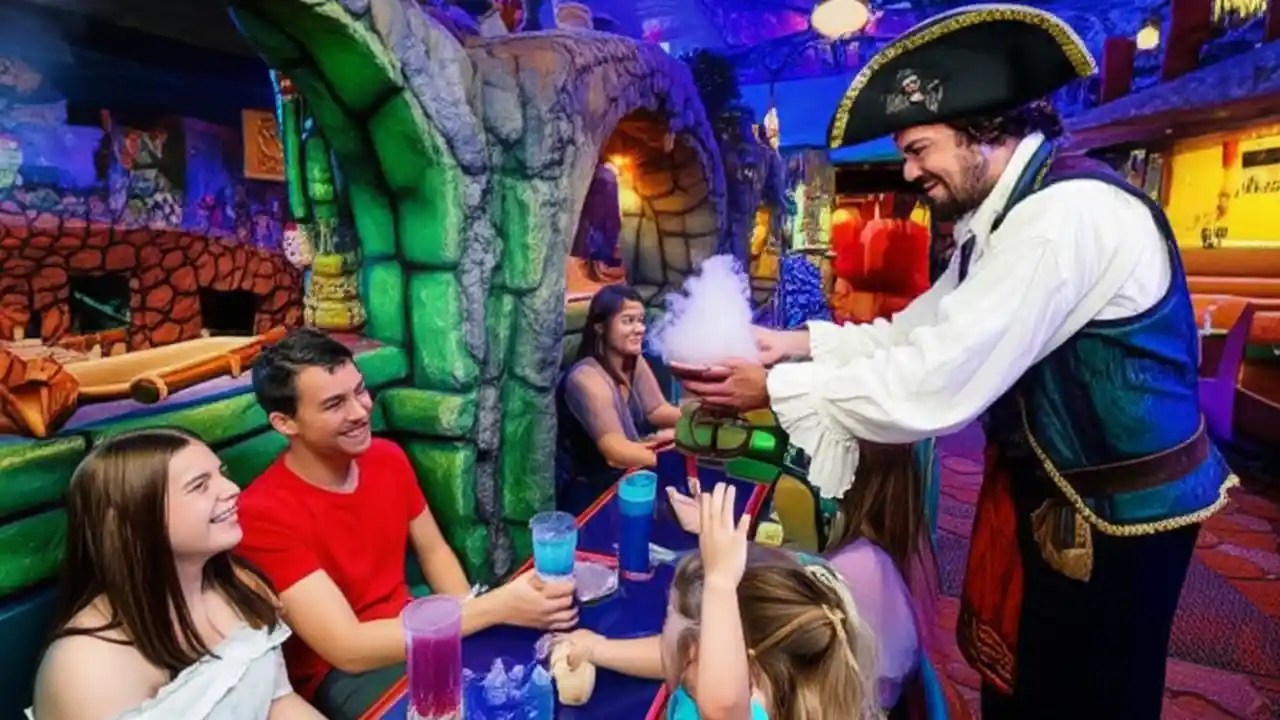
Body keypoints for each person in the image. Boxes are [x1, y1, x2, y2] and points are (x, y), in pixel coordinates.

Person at [676, 5, 1235, 719]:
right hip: (1062, 494)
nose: (910, 172)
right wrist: (791, 344)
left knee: (1091, 696)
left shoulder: (1060, 221)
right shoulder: (1003, 222)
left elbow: (932, 379)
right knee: (1037, 678)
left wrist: (773, 384)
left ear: (983, 130)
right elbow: (918, 328)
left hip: (1120, 515)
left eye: (919, 148)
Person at [236, 328, 577, 720]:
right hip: (347, 673)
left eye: (360, 391)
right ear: (285, 423)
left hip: (418, 626)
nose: (361, 411)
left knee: (535, 674)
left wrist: (474, 622)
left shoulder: (386, 457)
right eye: (334, 404)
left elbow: (433, 551)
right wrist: (492, 608)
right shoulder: (261, 512)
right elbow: (348, 647)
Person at [33, 429, 322, 720]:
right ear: (132, 519)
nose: (232, 488)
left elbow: (278, 703)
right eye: (200, 486)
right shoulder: (86, 667)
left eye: (221, 473)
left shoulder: (242, 587)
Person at [557, 483, 879, 720]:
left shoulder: (743, 709)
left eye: (669, 617)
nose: (664, 627)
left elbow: (722, 708)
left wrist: (721, 584)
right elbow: (675, 654)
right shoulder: (733, 675)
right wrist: (596, 648)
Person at [557, 284, 682, 513]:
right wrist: (676, 451)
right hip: (592, 497)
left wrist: (699, 421)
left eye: (641, 320)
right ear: (600, 327)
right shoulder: (586, 378)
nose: (640, 329)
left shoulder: (633, 360)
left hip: (629, 481)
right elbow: (615, 452)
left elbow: (656, 410)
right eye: (628, 321)